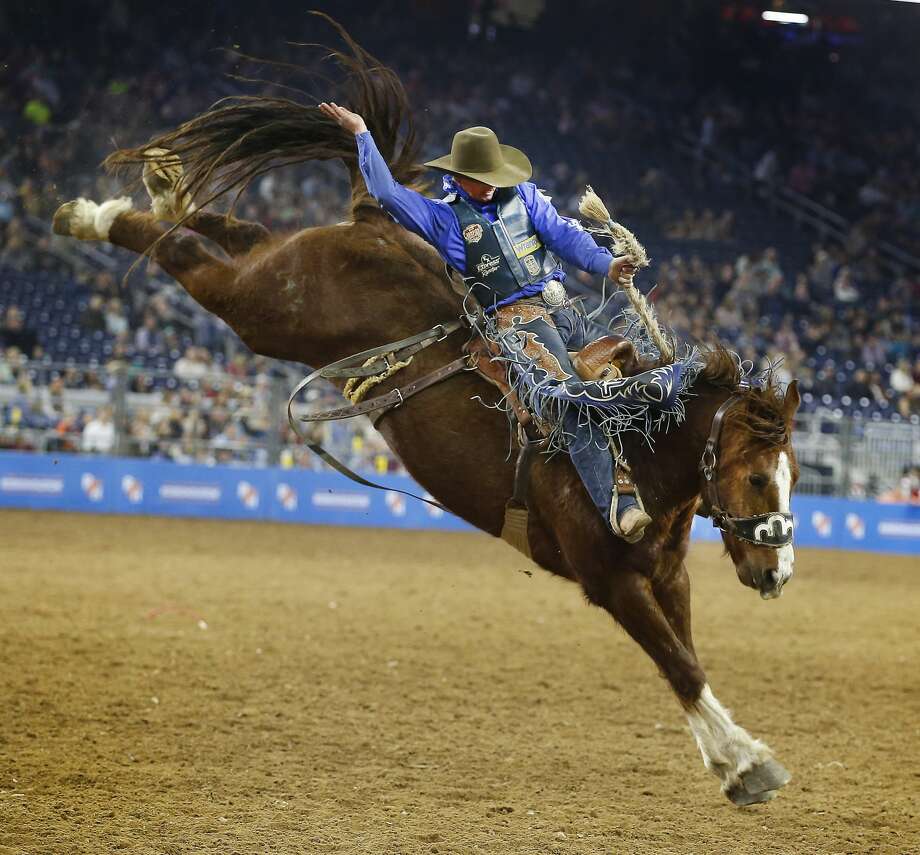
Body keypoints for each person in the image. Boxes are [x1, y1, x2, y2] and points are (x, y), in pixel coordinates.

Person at [319, 102, 652, 541]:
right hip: (516, 324)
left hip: (565, 309)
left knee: (631, 372)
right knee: (569, 400)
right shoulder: (442, 217)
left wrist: (606, 263)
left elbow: (564, 236)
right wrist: (362, 134)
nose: (495, 185)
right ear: (459, 178)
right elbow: (387, 193)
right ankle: (618, 504)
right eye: (485, 179)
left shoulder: (526, 196)